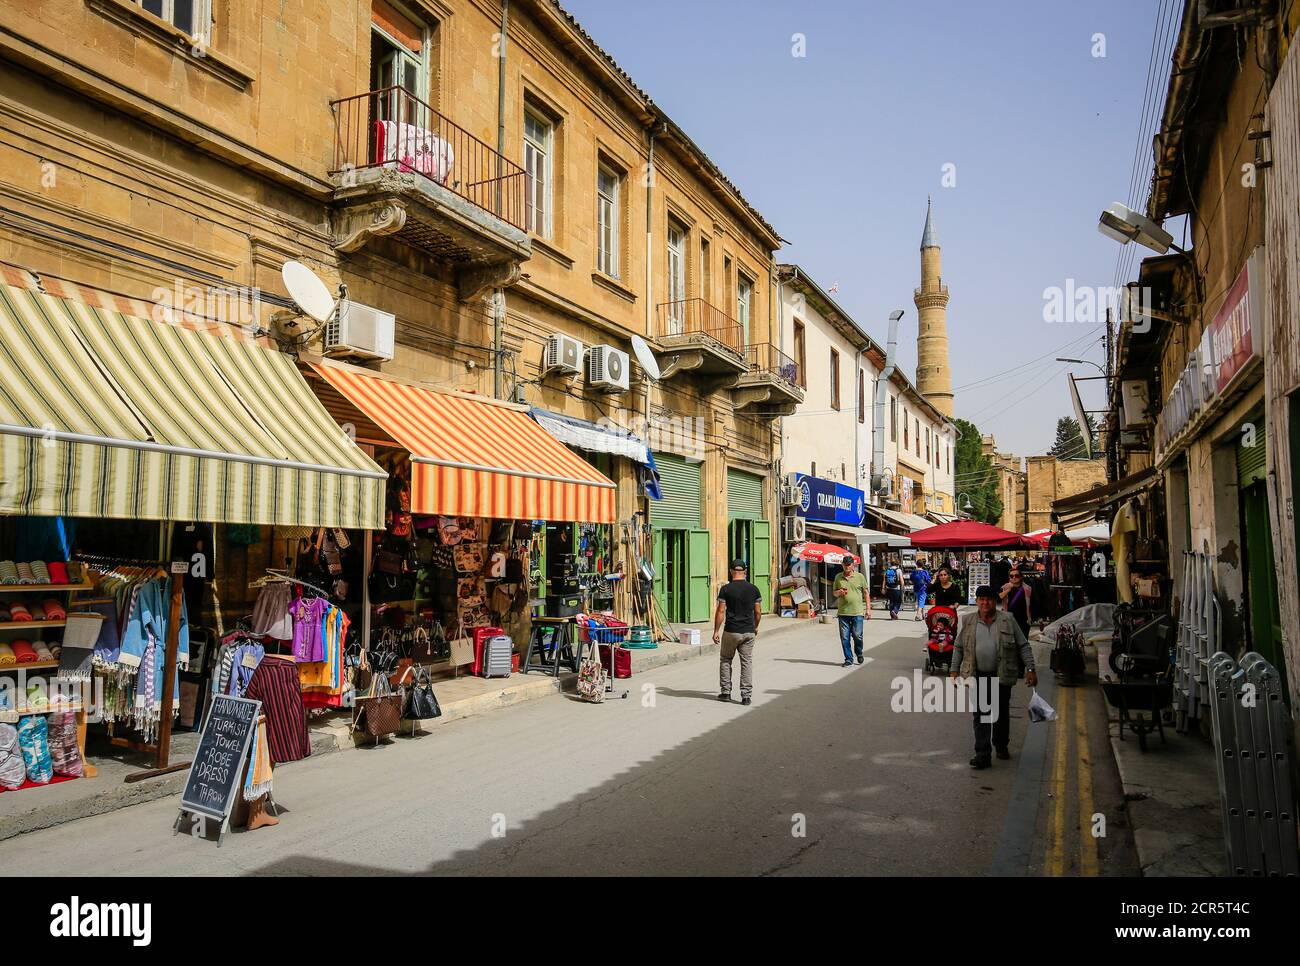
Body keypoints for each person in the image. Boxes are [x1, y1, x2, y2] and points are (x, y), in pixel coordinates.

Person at [950, 585, 1037, 768]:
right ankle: (982, 753)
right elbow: (958, 647)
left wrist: (1031, 669)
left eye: (988, 599)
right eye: (981, 599)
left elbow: (1023, 645)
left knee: (1000, 712)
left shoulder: (1008, 620)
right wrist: (954, 670)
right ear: (977, 600)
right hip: (977, 675)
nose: (985, 603)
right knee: (981, 715)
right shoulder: (968, 621)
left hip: (1002, 674)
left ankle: (1001, 744)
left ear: (994, 601)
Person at [713, 559, 763, 705]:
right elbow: (758, 612)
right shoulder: (754, 589)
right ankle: (746, 696)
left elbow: (721, 611)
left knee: (726, 660)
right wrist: (755, 627)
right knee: (746, 662)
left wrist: (716, 630)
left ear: (731, 571)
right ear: (745, 572)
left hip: (731, 631)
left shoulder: (726, 589)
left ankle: (726, 693)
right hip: (748, 631)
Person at [832, 555, 871, 667]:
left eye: (849, 565)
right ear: (842, 565)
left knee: (857, 635)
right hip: (843, 612)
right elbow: (834, 593)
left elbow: (866, 593)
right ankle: (848, 659)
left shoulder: (860, 577)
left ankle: (858, 652)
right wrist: (839, 592)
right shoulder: (838, 577)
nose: (847, 567)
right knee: (845, 637)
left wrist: (868, 609)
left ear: (853, 565)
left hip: (857, 612)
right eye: (845, 565)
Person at [1000, 565, 1033, 637]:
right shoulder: (1005, 587)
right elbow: (999, 597)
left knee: (1023, 641)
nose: (1014, 577)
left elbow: (1033, 603)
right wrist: (1008, 589)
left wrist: (1038, 618)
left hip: (1023, 620)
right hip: (1008, 619)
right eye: (1011, 576)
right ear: (1009, 578)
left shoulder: (1027, 589)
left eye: (1016, 575)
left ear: (1021, 577)